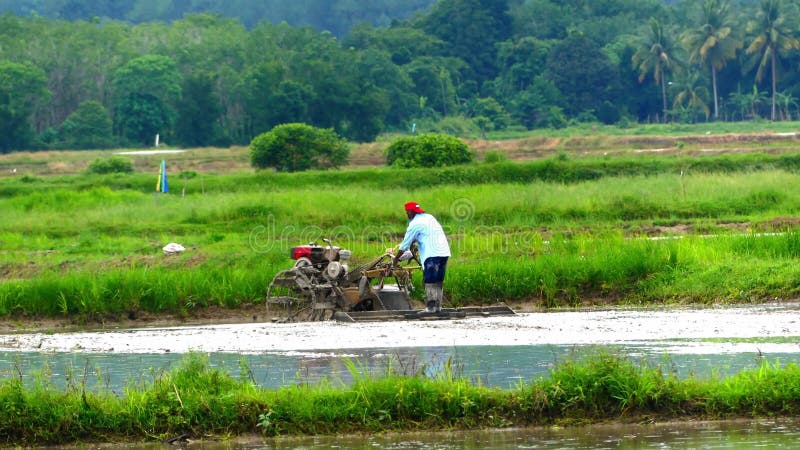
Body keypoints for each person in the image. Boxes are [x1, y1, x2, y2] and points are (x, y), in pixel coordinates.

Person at [393, 201, 451, 313]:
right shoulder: (429, 217)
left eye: (407, 213)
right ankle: (438, 307)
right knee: (438, 279)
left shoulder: (414, 224)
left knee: (429, 279)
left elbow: (404, 245)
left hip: (432, 254)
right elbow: (427, 233)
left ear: (410, 213)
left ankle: (430, 308)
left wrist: (395, 259)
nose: (407, 215)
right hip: (444, 252)